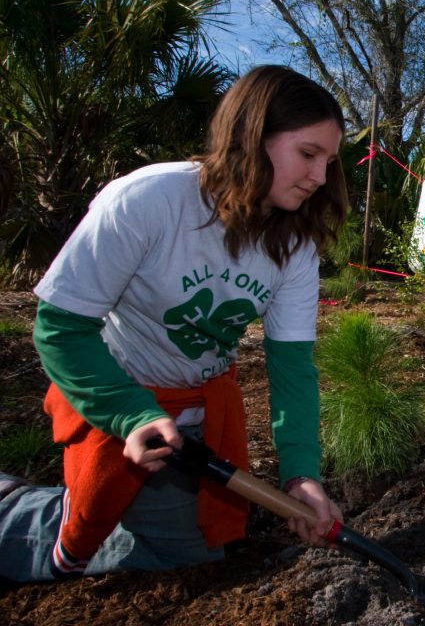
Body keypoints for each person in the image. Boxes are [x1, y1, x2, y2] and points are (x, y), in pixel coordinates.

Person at [0, 65, 347, 582]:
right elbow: (59, 329)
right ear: (251, 138)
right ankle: (11, 508)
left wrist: (303, 475)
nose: (320, 178)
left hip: (193, 420)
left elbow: (292, 372)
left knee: (192, 555)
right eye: (307, 154)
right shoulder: (149, 201)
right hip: (116, 401)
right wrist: (131, 415)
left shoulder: (294, 247)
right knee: (80, 541)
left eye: (329, 161)